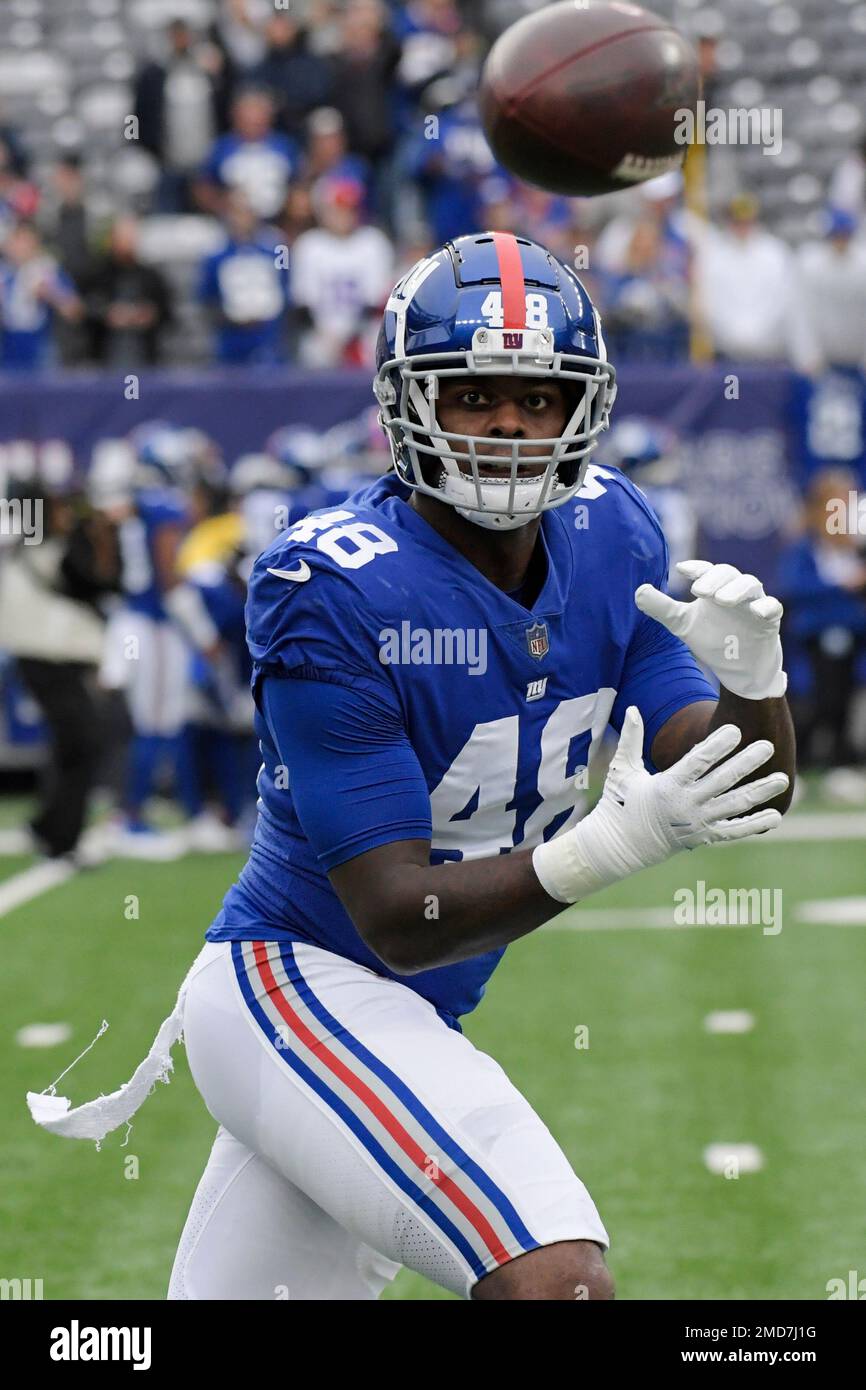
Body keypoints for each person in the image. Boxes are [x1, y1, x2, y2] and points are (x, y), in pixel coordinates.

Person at [31, 233, 795, 1300]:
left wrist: (756, 681)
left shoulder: (614, 530)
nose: (510, 426)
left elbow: (745, 783)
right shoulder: (333, 583)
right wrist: (615, 841)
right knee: (553, 1277)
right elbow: (396, 911)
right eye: (474, 395)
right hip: (295, 984)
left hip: (403, 1008)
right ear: (406, 405)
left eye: (537, 397)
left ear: (584, 406)